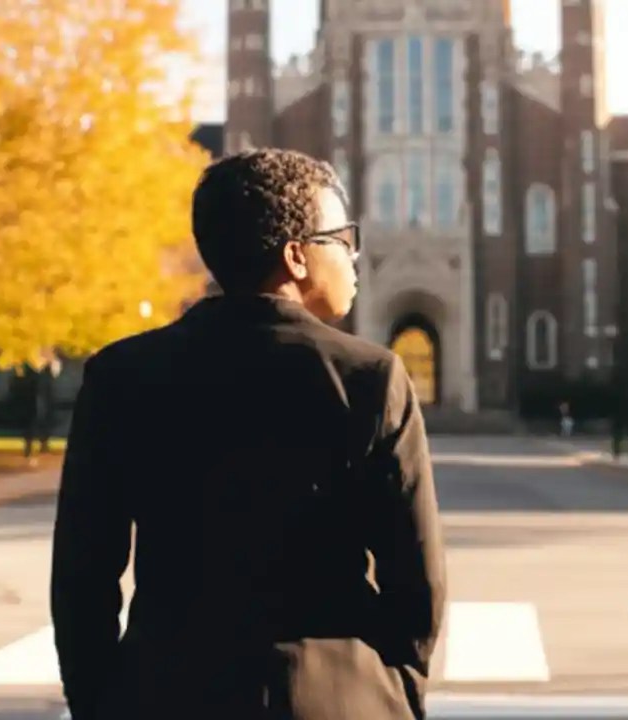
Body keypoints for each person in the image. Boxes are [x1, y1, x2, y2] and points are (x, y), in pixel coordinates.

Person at [50, 148, 447, 720]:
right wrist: (396, 694)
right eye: (342, 238)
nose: (355, 256)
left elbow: (82, 576)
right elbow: (418, 586)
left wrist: (100, 705)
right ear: (296, 256)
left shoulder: (122, 376)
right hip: (336, 698)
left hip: (165, 696)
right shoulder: (370, 378)